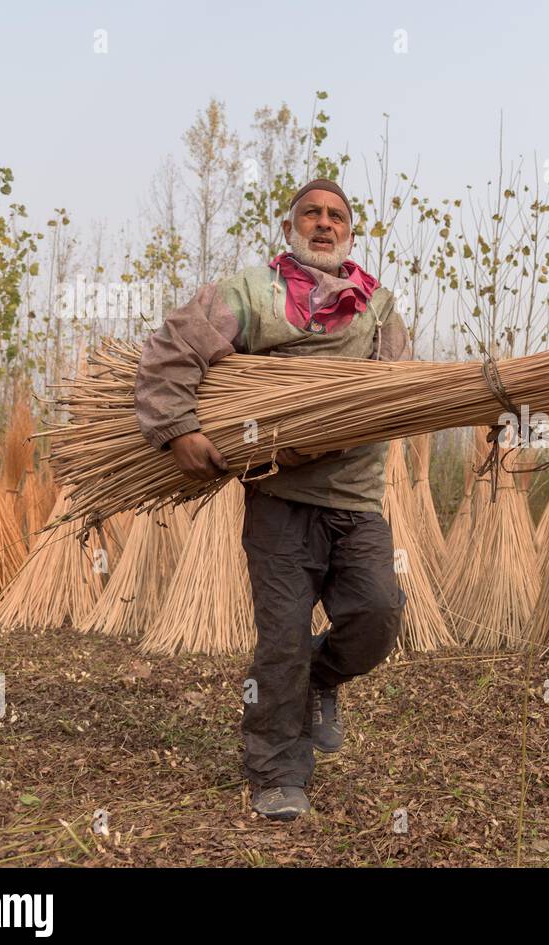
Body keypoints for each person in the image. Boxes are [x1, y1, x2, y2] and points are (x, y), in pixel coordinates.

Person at [133, 178, 409, 821]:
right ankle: (277, 772)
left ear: (349, 233)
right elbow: (173, 349)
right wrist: (180, 429)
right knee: (281, 640)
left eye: (335, 216)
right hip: (280, 500)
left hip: (358, 498)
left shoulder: (380, 310)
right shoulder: (249, 294)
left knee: (377, 615)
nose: (322, 223)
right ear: (290, 229)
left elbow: (398, 393)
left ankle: (323, 679)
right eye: (309, 213)